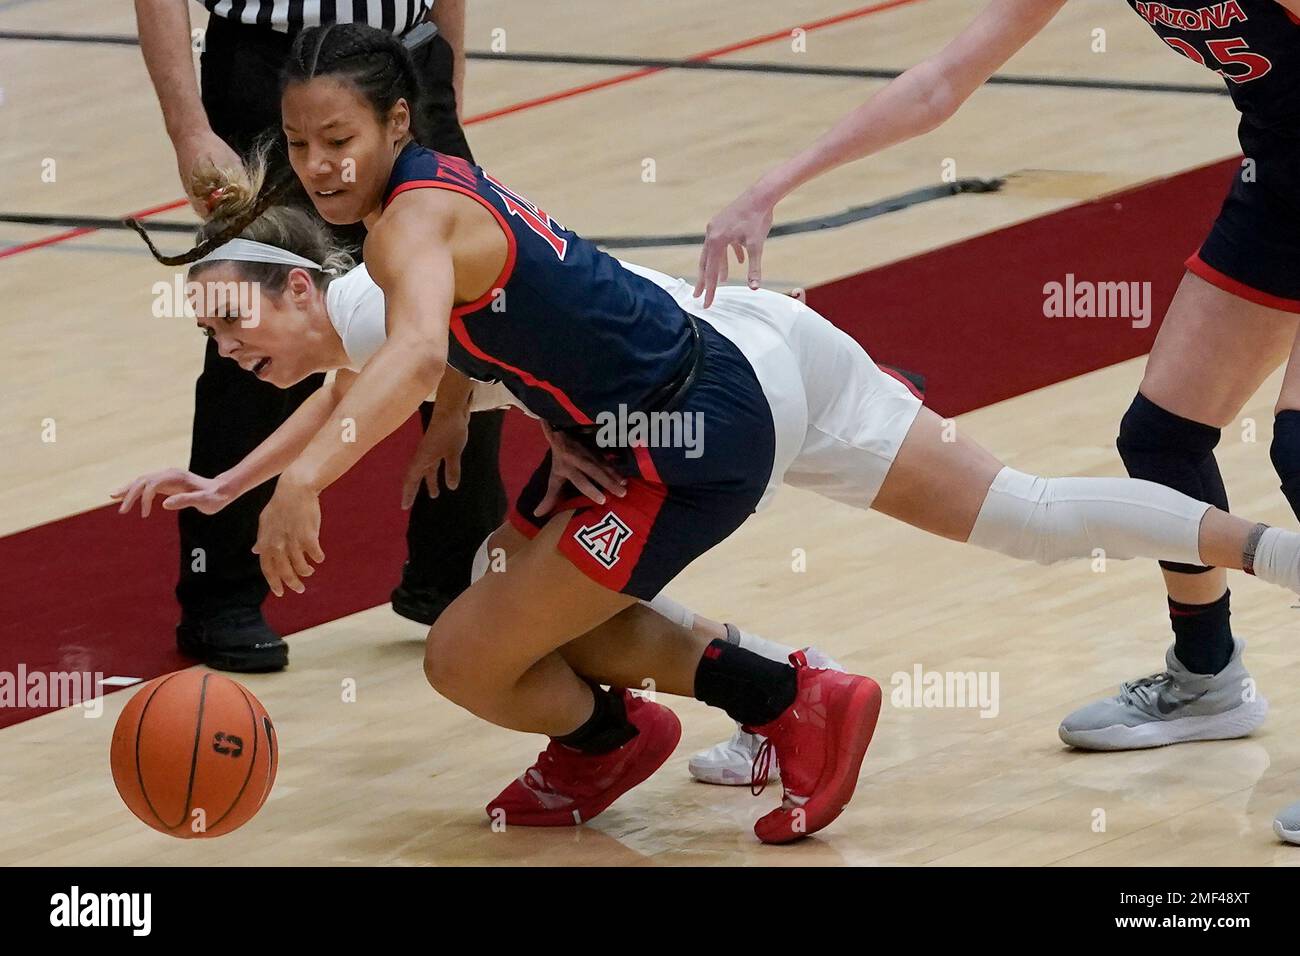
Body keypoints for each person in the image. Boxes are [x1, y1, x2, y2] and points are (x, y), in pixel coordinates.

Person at [116, 22, 1300, 843]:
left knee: (469, 648)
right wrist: (236, 476)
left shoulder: (382, 271)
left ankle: (771, 702)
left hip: (695, 419)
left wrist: (300, 483)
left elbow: (415, 354)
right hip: (762, 342)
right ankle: (1273, 548)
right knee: (1030, 513)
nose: (238, 358)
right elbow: (464, 357)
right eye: (303, 146)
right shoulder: (413, 211)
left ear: (297, 285)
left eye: (237, 332)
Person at [691, 0, 1300, 795]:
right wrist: (775, 184)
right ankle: (1207, 675)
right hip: (1282, 181)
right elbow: (941, 84)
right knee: (1163, 438)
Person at [132, 0, 504, 673]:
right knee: (253, 325)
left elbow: (418, 358)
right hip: (271, 66)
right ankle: (223, 591)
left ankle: (453, 576)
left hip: (399, 57)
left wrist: (442, 74)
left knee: (464, 318)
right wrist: (188, 126)